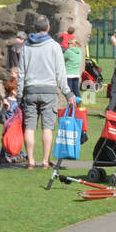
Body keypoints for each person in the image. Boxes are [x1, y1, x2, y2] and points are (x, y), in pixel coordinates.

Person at [18, 14, 77, 169]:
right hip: (49, 92)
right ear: (48, 28)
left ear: (34, 28)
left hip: (30, 91)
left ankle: (30, 161)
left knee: (29, 127)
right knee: (47, 127)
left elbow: (21, 73)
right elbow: (60, 73)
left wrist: (19, 95)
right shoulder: (55, 46)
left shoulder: (26, 46)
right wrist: (68, 93)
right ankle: (45, 161)